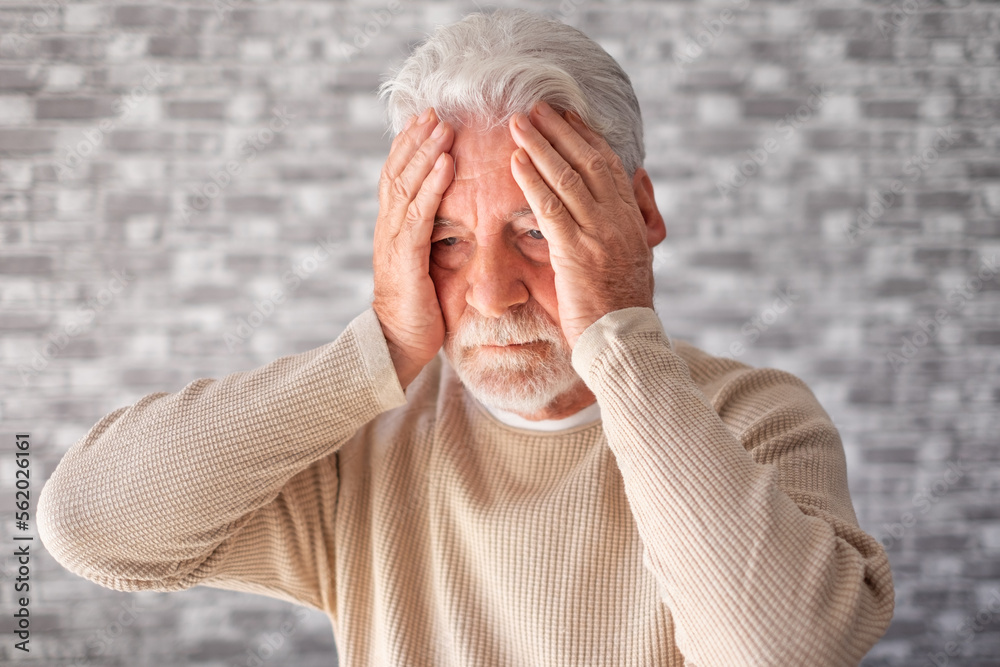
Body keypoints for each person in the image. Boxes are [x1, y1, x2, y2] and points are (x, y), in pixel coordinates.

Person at [38, 9, 894, 666]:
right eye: (445, 240)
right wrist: (380, 346)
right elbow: (88, 525)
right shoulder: (365, 443)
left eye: (538, 229)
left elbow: (783, 653)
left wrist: (619, 336)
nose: (491, 291)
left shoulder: (755, 416)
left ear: (638, 215)